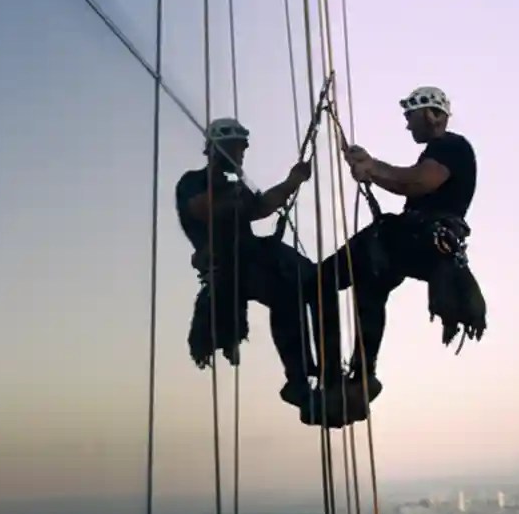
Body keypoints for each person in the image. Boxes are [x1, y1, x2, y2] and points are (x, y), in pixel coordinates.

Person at [306, 86, 484, 426]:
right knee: (369, 289)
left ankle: (332, 379)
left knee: (320, 282)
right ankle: (360, 379)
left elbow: (417, 183)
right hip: (416, 245)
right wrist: (371, 167)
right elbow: (410, 183)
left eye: (411, 117)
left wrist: (372, 167)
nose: (407, 125)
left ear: (433, 114)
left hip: (410, 239)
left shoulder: (450, 146)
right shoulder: (443, 151)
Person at [176, 117, 318, 411]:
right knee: (286, 296)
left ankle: (302, 378)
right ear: (217, 149)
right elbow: (203, 210)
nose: (241, 154)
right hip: (230, 267)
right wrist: (225, 183)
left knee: (301, 288)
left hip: (252, 259)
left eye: (243, 149)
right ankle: (299, 382)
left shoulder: (234, 186)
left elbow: (263, 206)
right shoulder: (193, 181)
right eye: (236, 148)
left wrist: (293, 181)